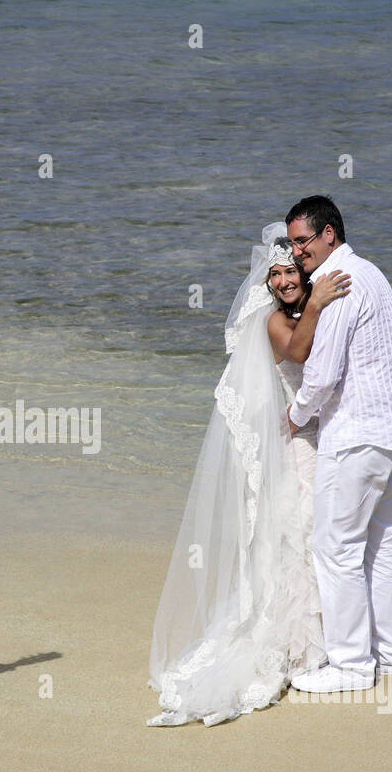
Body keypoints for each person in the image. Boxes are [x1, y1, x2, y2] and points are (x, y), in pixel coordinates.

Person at [147, 222, 349, 726]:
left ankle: (340, 634)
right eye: (274, 275)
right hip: (298, 442)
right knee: (302, 534)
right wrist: (319, 303)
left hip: (330, 435)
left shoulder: (310, 306)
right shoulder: (273, 323)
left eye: (291, 271)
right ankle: (305, 649)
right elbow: (300, 352)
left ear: (307, 267)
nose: (283, 282)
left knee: (320, 533)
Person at [283, 196, 392, 693]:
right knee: (381, 545)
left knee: (335, 549)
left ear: (329, 235)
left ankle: (352, 665)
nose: (297, 253)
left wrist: (295, 417)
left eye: (303, 241)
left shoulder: (337, 283)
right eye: (294, 243)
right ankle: (388, 655)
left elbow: (321, 373)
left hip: (358, 433)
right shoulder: (372, 272)